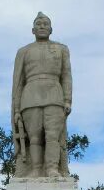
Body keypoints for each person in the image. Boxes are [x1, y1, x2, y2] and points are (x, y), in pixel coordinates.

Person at [11, 12, 72, 177]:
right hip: (30, 96)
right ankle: (36, 169)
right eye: (39, 24)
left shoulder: (61, 49)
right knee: (34, 137)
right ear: (33, 30)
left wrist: (67, 99)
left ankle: (52, 168)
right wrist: (16, 109)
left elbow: (66, 76)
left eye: (45, 24)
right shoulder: (23, 51)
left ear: (51, 29)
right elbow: (18, 81)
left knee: (53, 135)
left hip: (55, 94)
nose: (42, 26)